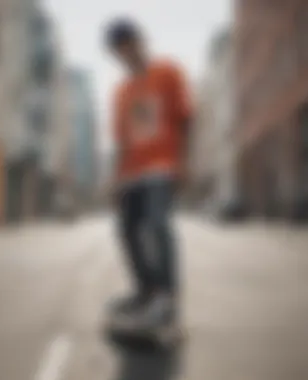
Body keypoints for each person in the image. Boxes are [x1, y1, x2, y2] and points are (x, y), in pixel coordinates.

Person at [105, 18, 194, 328]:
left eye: (129, 45)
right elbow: (120, 141)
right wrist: (116, 181)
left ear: (140, 42)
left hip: (163, 166)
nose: (126, 54)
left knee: (158, 225)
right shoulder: (121, 93)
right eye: (119, 51)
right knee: (126, 231)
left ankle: (167, 297)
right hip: (132, 174)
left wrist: (185, 162)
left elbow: (185, 119)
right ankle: (146, 291)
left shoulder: (168, 73)